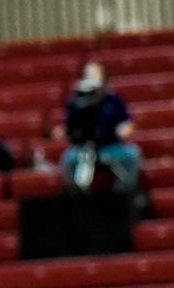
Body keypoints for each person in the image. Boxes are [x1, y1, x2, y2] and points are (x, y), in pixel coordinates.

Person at [57, 60, 141, 193]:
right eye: (87, 75)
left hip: (111, 147)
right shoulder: (75, 102)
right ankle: (78, 199)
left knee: (133, 154)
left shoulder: (115, 100)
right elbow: (67, 128)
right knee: (67, 159)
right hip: (84, 149)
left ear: (104, 79)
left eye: (95, 75)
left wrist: (126, 128)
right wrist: (63, 132)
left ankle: (122, 195)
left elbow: (128, 123)